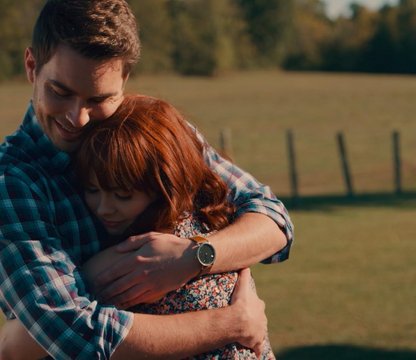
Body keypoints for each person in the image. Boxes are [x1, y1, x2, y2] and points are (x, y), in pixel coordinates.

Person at [0, 0, 293, 358]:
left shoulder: (154, 135)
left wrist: (194, 257)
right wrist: (231, 324)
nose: (77, 118)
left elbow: (272, 218)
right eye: (60, 92)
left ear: (124, 80)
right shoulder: (12, 183)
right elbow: (75, 336)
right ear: (32, 67)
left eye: (98, 99)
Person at [4, 94, 276, 359]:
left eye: (123, 195)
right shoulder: (211, 224)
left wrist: (96, 270)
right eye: (91, 190)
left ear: (161, 190)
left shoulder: (151, 253)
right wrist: (233, 322)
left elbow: (24, 345)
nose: (104, 208)